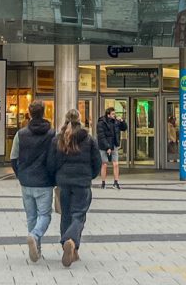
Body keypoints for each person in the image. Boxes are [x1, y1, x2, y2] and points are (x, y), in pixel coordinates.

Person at [47, 108, 100, 268]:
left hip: (63, 183)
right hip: (82, 183)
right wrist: (90, 176)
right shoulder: (89, 139)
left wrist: (55, 178)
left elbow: (51, 162)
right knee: (79, 215)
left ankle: (69, 247)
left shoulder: (58, 139)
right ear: (80, 119)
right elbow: (96, 162)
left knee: (66, 215)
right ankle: (71, 241)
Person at [10, 99, 55, 262]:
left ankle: (37, 248)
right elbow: (55, 157)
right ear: (44, 112)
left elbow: (13, 157)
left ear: (29, 113)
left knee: (31, 217)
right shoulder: (52, 134)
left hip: (26, 181)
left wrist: (20, 174)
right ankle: (35, 236)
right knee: (45, 215)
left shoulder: (20, 134)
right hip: (44, 181)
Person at [95, 106, 128, 190]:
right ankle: (103, 183)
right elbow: (101, 136)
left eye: (115, 113)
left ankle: (116, 183)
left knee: (116, 164)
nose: (115, 115)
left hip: (114, 145)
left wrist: (122, 121)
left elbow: (124, 128)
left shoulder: (116, 122)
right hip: (104, 146)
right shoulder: (101, 123)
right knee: (104, 164)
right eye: (113, 114)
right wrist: (107, 147)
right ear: (108, 115)